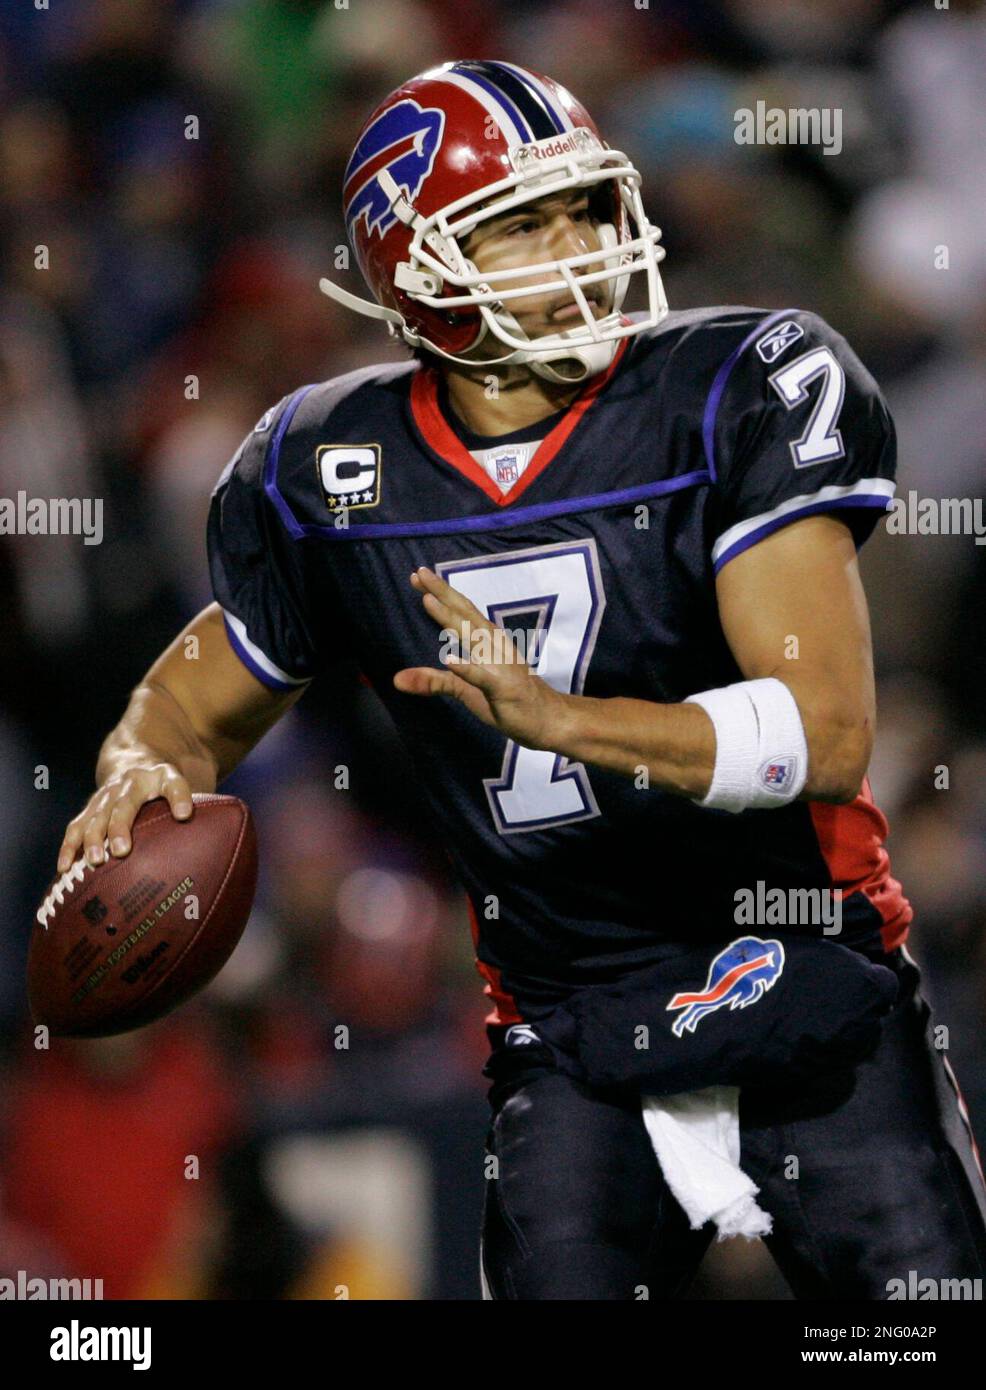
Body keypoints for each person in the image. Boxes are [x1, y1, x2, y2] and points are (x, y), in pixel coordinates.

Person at [57, 61, 986, 1299]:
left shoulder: (732, 389)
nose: (582, 248)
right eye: (523, 224)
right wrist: (137, 768)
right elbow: (190, 704)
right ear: (418, 272)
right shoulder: (328, 467)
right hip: (568, 1026)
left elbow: (820, 733)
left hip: (808, 982)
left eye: (587, 208)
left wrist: (564, 722)